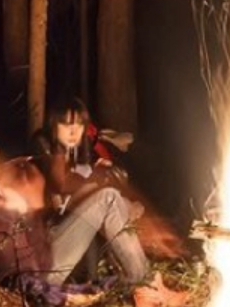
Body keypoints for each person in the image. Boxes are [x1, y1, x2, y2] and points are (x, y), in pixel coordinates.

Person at [31, 98, 154, 289]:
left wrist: (125, 202)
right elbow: (60, 187)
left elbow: (76, 198)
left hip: (65, 252)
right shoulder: (45, 152)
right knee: (109, 198)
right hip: (44, 261)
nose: (74, 131)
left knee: (115, 200)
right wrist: (98, 179)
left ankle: (136, 279)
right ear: (53, 125)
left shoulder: (75, 157)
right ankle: (143, 281)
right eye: (66, 124)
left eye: (79, 125)